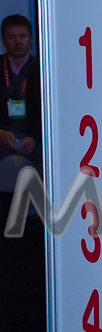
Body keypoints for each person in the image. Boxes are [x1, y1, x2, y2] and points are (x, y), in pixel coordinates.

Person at [0, 14, 42, 198]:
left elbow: (54, 116)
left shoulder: (44, 69)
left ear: (31, 39)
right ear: (3, 41)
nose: (18, 42)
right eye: (11, 37)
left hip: (34, 141)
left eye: (23, 36)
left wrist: (35, 139)